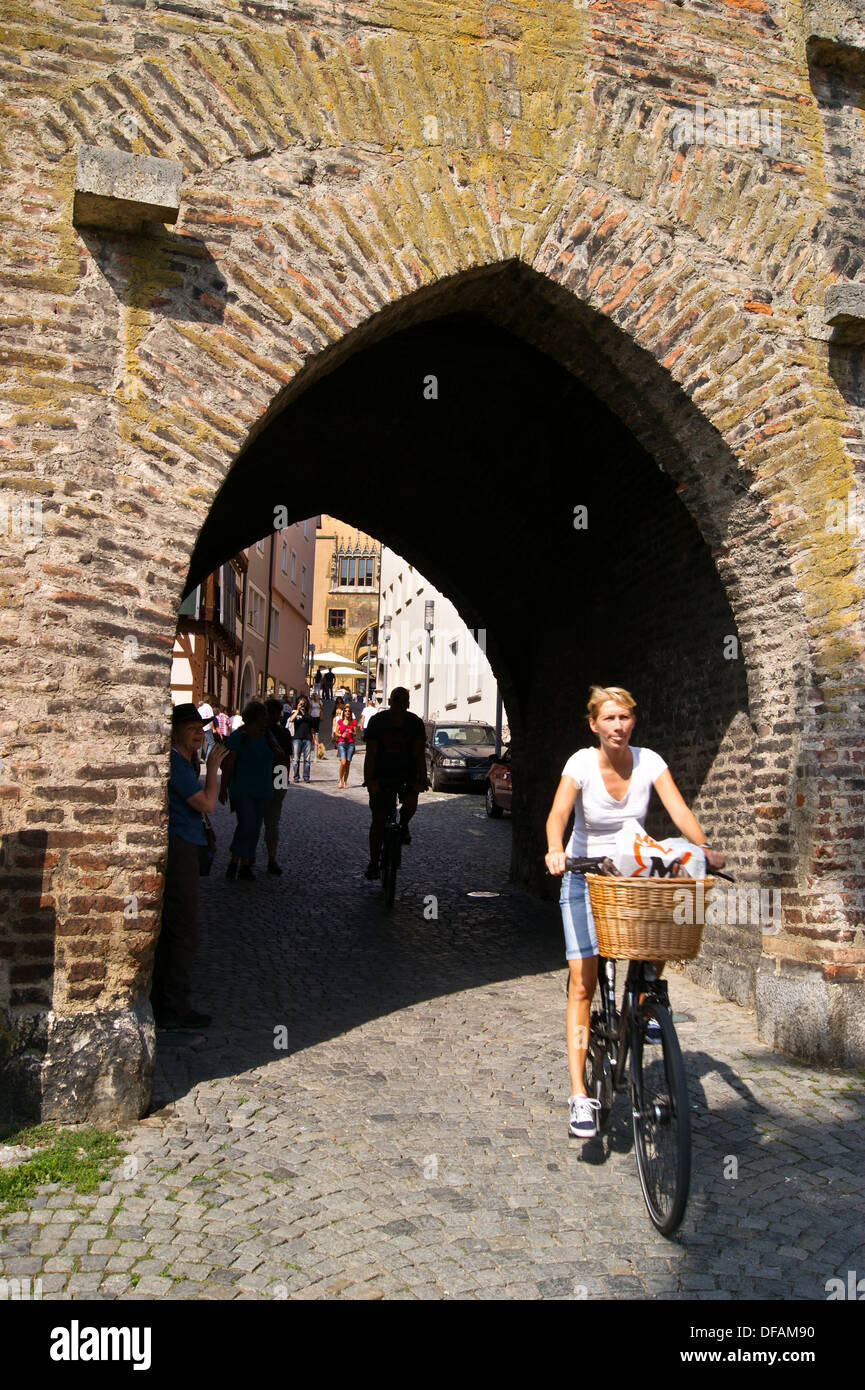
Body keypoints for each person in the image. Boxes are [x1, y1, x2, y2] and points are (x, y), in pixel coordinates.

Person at [544, 685, 725, 1140]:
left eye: (624, 717)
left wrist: (702, 847)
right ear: (594, 724)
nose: (618, 726)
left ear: (632, 722)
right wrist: (554, 849)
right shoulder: (581, 763)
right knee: (583, 983)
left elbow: (679, 809)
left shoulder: (650, 761)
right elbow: (558, 814)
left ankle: (642, 1009)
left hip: (632, 874)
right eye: (609, 719)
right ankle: (579, 1094)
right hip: (586, 875)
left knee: (665, 925)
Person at [151, 703, 228, 1029]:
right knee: (183, 928)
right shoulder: (176, 764)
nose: (199, 733)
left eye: (202, 728)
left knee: (180, 927)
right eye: (192, 727)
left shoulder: (183, 761)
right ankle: (172, 1008)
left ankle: (168, 1002)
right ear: (175, 730)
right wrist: (213, 769)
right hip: (180, 846)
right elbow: (207, 803)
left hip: (187, 843)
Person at [363, 687, 427, 879]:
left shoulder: (415, 723)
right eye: (396, 700)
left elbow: (418, 755)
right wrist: (370, 781)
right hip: (381, 774)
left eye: (403, 700)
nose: (399, 703)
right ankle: (374, 863)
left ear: (408, 703)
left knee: (410, 804)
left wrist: (421, 781)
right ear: (390, 702)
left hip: (406, 774)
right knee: (378, 820)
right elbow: (371, 754)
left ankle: (404, 824)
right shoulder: (377, 722)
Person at [219, 700, 276, 879]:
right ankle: (240, 862)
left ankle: (240, 862)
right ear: (255, 716)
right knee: (247, 824)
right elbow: (228, 764)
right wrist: (223, 788)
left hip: (263, 789)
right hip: (242, 789)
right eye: (263, 715)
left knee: (255, 826)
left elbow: (278, 754)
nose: (266, 718)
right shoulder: (239, 736)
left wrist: (281, 785)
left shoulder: (267, 735)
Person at [263, 697, 293, 874]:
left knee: (272, 822)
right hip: (263, 779)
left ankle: (271, 858)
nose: (274, 716)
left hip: (276, 778)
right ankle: (250, 859)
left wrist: (282, 784)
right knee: (263, 822)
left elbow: (286, 760)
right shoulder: (258, 732)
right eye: (271, 713)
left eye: (276, 712)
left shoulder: (282, 733)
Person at [288, 696, 315, 783]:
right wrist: (297, 710)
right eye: (300, 703)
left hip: (307, 739)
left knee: (307, 760)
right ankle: (296, 777)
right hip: (297, 738)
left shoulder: (309, 716)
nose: (302, 705)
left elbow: (312, 729)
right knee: (296, 759)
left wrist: (314, 739)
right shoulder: (295, 713)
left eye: (304, 703)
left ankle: (306, 777)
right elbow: (291, 720)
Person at [336, 704, 358, 788]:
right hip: (341, 743)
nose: (347, 712)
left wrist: (351, 732)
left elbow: (355, 733)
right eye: (345, 711)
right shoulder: (340, 721)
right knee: (343, 762)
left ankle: (345, 782)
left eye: (349, 711)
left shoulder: (353, 722)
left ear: (351, 713)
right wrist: (341, 735)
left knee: (348, 763)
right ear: (343, 712)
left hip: (350, 744)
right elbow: (336, 733)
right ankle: (340, 780)